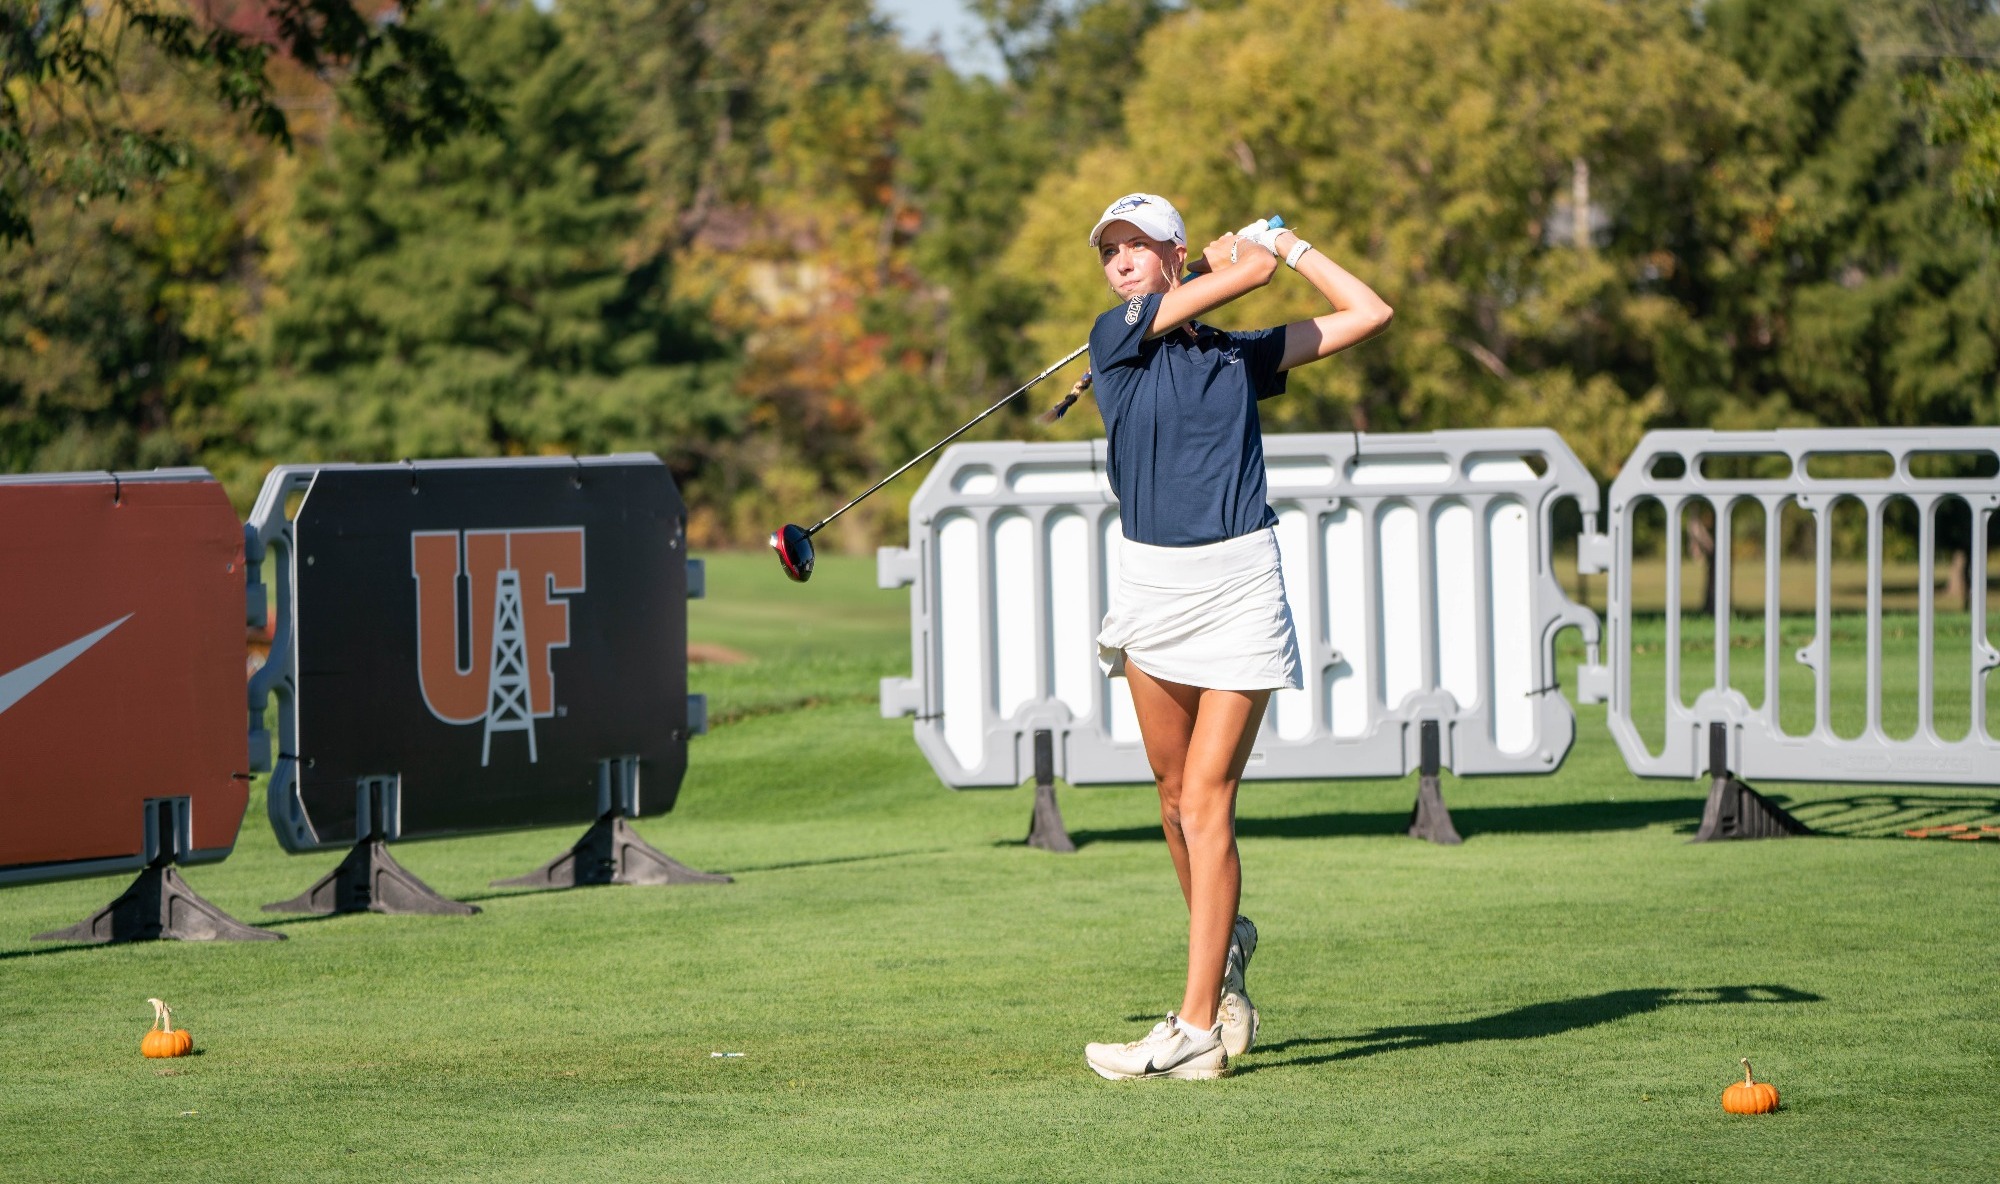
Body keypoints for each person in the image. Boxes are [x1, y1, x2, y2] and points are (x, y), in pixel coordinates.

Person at [1077, 192, 1393, 1081]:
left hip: (1241, 585)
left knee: (1209, 799)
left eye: (1140, 247)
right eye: (1113, 251)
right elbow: (1238, 276)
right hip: (1152, 587)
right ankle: (1226, 956)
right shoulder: (1114, 338)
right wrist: (1237, 260)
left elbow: (1368, 312)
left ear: (1173, 254)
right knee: (1174, 797)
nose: (1123, 261)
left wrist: (1288, 244)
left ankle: (1192, 1026)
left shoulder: (1236, 357)